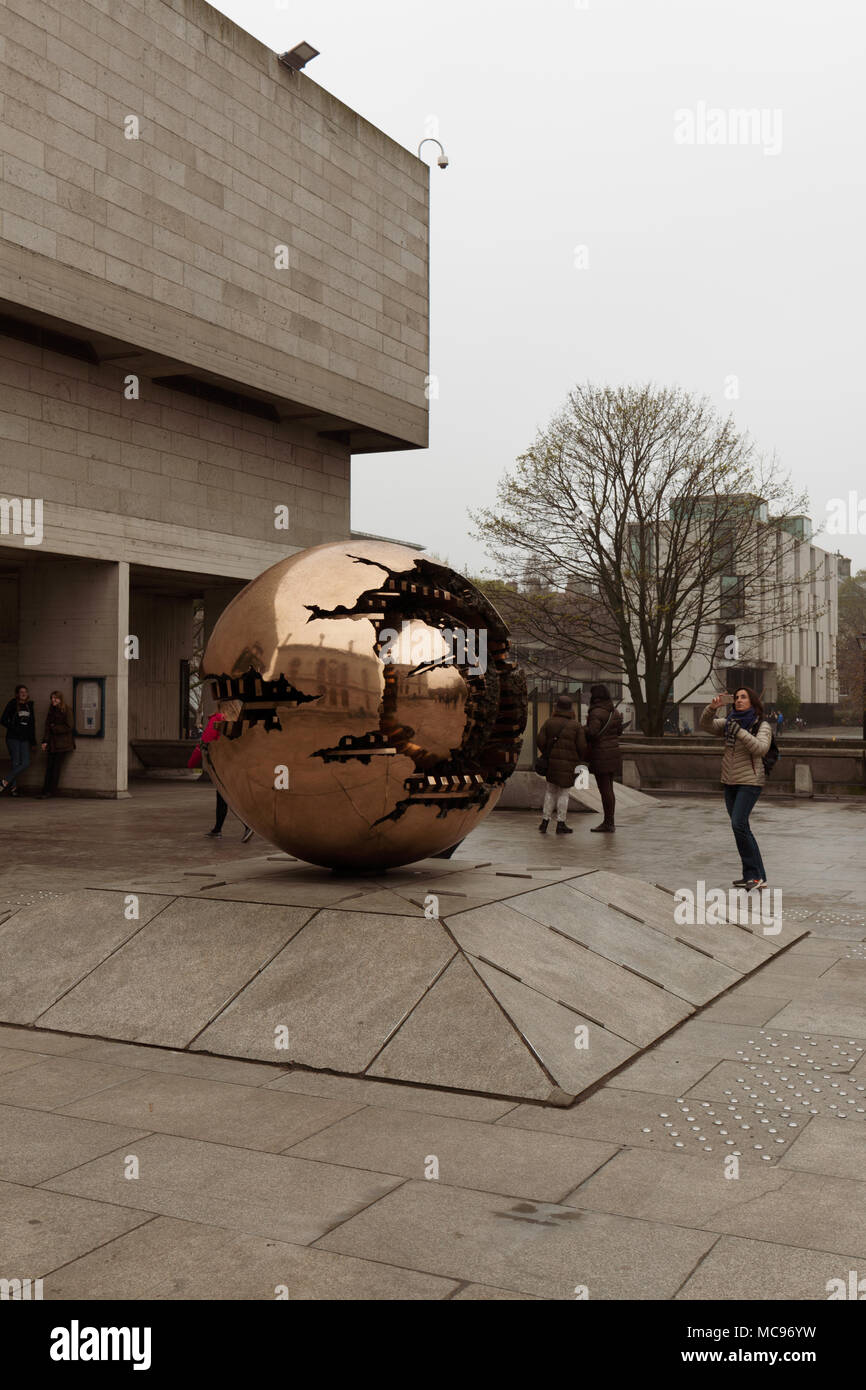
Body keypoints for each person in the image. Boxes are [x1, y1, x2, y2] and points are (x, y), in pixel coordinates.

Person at [700, 687, 772, 891]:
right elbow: (705, 725)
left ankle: (756, 877)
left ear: (752, 702)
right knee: (741, 827)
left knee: (738, 824)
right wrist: (712, 708)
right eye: (737, 698)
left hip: (750, 781)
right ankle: (754, 876)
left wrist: (740, 732)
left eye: (744, 697)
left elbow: (761, 748)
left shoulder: (761, 724)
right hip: (730, 782)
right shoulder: (729, 722)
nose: (739, 701)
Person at [188, 711, 253, 842]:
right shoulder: (239, 720)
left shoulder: (217, 719)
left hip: (224, 765)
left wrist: (191, 763)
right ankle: (217, 829)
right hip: (237, 763)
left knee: (227, 798)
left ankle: (248, 825)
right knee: (223, 798)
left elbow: (205, 741)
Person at [536, 694, 588, 835]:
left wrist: (548, 753)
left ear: (556, 707)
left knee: (550, 791)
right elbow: (582, 747)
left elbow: (540, 741)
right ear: (571, 709)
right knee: (564, 793)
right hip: (569, 765)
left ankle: (544, 822)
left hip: (552, 763)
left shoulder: (549, 722)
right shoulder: (576, 726)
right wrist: (576, 758)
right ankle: (561, 823)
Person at [584, 683, 624, 833]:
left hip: (601, 754)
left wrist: (582, 728)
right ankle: (610, 820)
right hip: (613, 753)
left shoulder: (596, 713)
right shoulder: (615, 712)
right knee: (609, 788)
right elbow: (619, 732)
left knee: (605, 789)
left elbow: (592, 733)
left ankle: (608, 823)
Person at [1, 684, 37, 797]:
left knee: (25, 763)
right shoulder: (12, 704)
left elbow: (32, 725)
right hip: (13, 738)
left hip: (25, 739)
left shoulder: (29, 706)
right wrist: (15, 728)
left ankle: (4, 781)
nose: (23, 693)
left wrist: (33, 741)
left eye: (25, 691)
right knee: (15, 763)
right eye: (21, 692)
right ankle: (13, 789)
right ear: (17, 694)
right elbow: (3, 720)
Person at [40, 690, 75, 797]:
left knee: (56, 768)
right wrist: (45, 741)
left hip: (63, 744)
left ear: (60, 699)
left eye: (55, 698)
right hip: (52, 743)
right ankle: (45, 791)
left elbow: (70, 726)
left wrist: (55, 728)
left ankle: (51, 791)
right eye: (52, 698)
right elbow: (47, 727)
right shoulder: (51, 710)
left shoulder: (66, 710)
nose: (53, 700)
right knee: (49, 767)